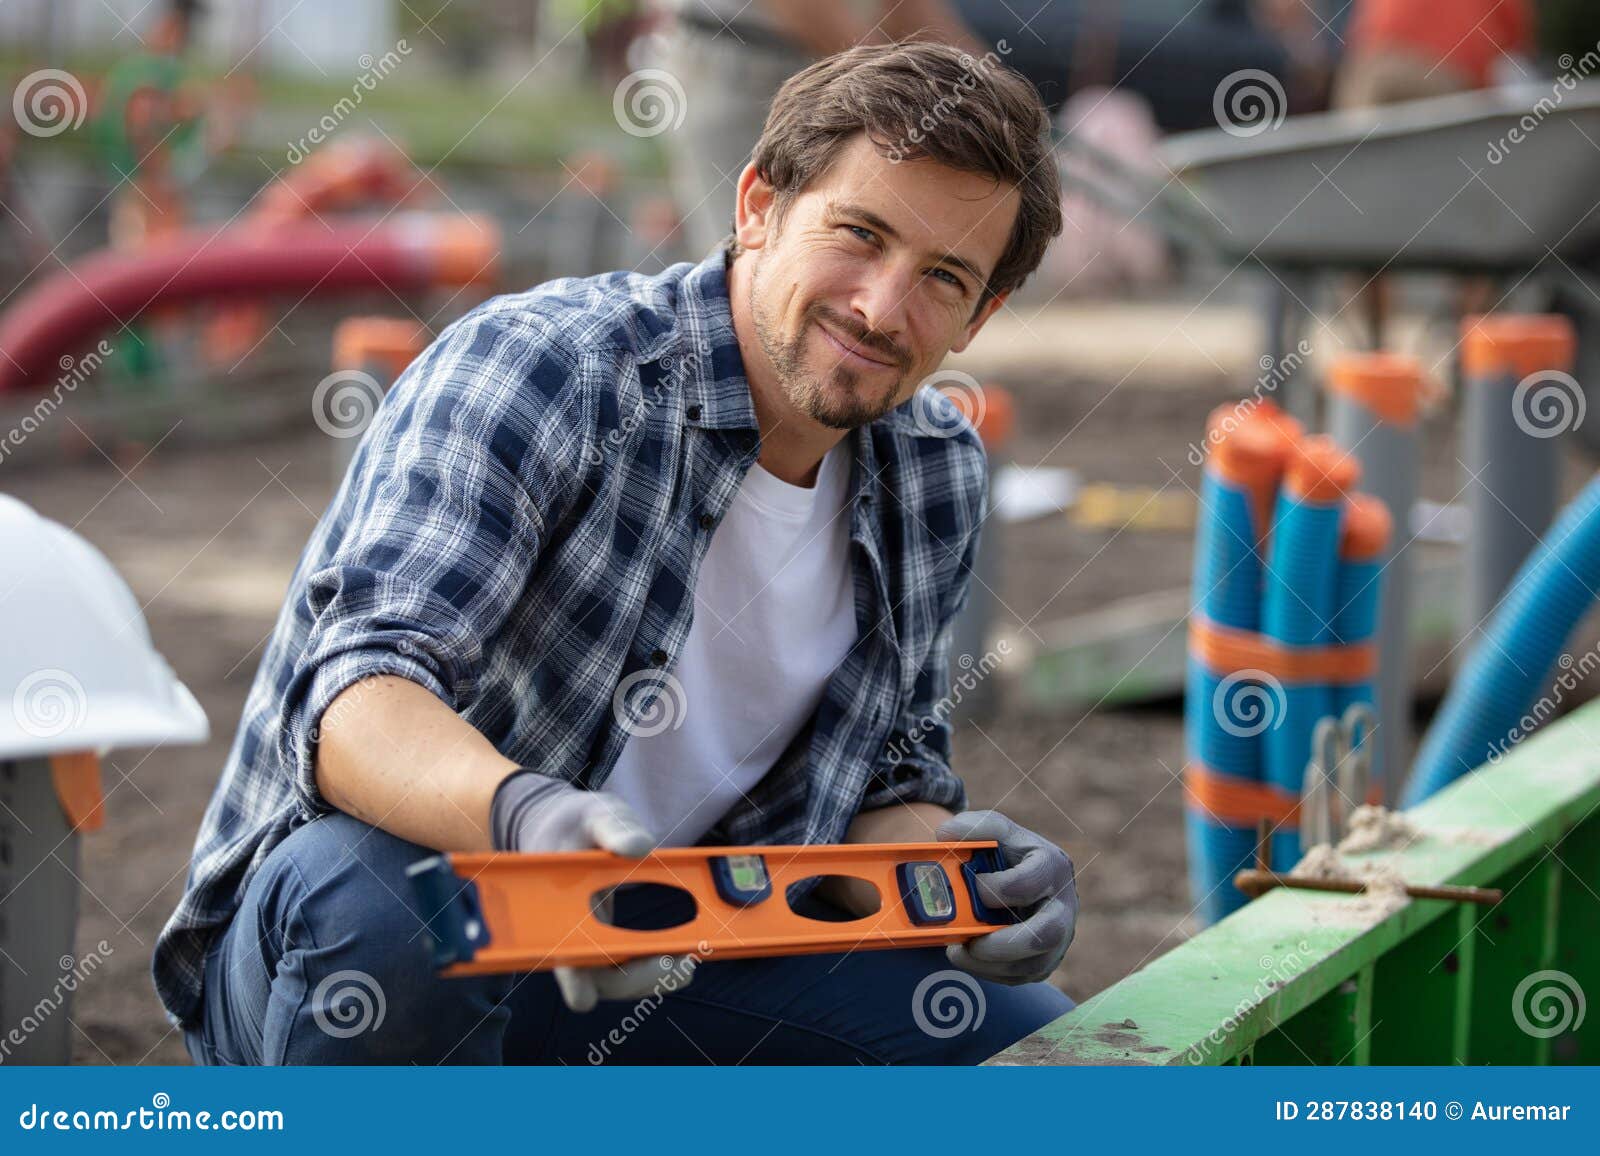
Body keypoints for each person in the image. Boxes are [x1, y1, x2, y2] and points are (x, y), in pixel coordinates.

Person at [160, 41, 1079, 1065]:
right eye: (858, 234)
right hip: (381, 954)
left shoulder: (934, 472)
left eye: (942, 278)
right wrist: (526, 821)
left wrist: (966, 876)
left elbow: (871, 790)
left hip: (663, 961)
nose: (878, 305)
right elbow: (354, 700)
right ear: (758, 206)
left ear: (979, 314)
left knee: (1019, 1051)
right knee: (388, 905)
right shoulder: (550, 371)